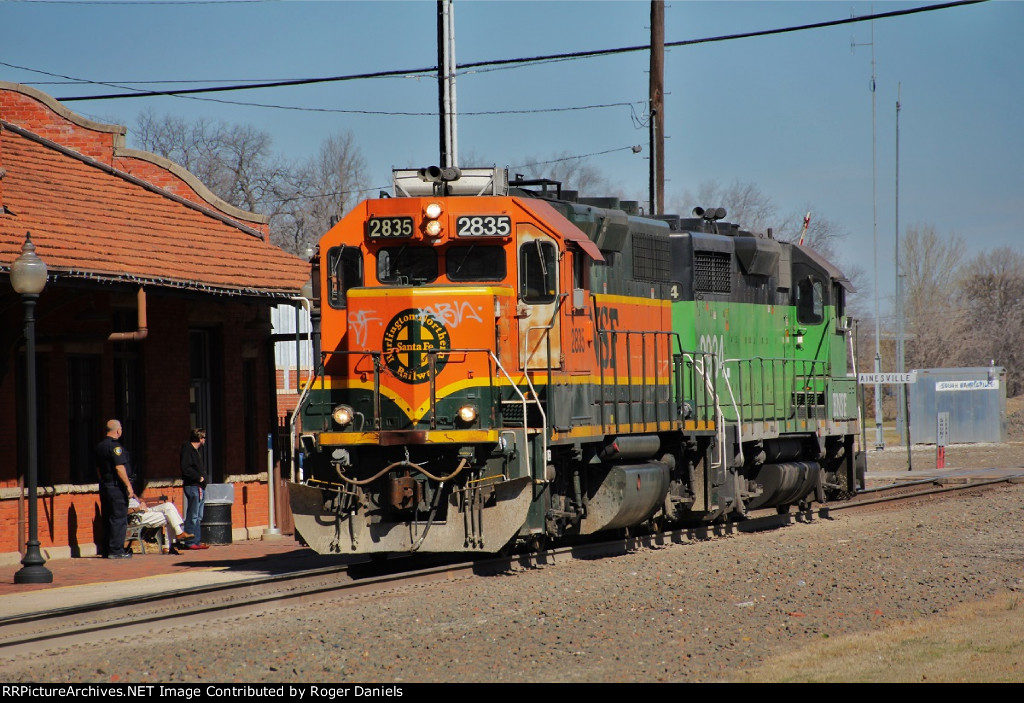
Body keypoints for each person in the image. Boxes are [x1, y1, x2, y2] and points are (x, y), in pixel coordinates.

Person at [95, 419, 135, 559]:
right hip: (116, 487)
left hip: (105, 486)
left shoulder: (100, 446)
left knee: (107, 517)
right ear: (118, 430)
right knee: (119, 518)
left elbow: (98, 469)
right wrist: (128, 486)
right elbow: (119, 468)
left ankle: (107, 549)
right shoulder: (115, 447)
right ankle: (117, 550)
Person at [128, 495, 194, 553]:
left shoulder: (129, 490)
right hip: (137, 516)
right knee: (169, 516)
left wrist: (141, 502)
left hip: (145, 511)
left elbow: (138, 499)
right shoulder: (120, 495)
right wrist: (138, 508)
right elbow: (125, 512)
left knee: (169, 505)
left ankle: (177, 535)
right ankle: (170, 545)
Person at [180, 427, 210, 550]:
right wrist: (198, 478)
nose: (205, 440)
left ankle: (196, 540)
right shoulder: (187, 450)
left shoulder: (196, 451)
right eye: (204, 437)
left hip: (199, 487)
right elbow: (186, 469)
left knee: (199, 515)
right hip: (193, 486)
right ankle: (189, 541)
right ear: (199, 438)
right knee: (193, 514)